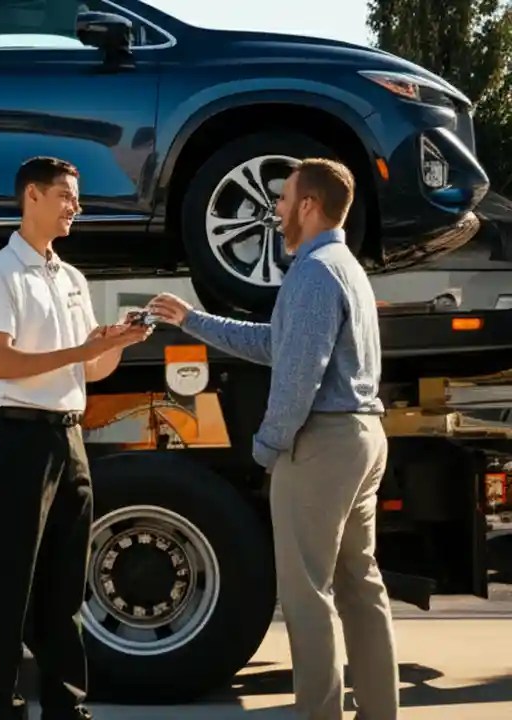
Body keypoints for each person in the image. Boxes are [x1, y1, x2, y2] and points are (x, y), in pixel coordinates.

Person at [147, 158, 399, 719]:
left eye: (284, 199)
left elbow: (297, 374)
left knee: (309, 595)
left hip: (323, 443)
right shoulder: (344, 268)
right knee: (361, 586)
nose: (277, 209)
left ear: (309, 206)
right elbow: (277, 344)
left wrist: (268, 445)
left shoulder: (313, 274)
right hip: (361, 436)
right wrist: (194, 321)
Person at [0, 156, 152, 720]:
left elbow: (90, 373)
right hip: (20, 437)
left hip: (70, 439)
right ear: (32, 196)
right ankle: (4, 699)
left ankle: (66, 703)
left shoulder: (72, 278)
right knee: (13, 579)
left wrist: (117, 342)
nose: (77, 206)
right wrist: (84, 350)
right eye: (67, 196)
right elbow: (0, 362)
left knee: (66, 579)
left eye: (77, 198)